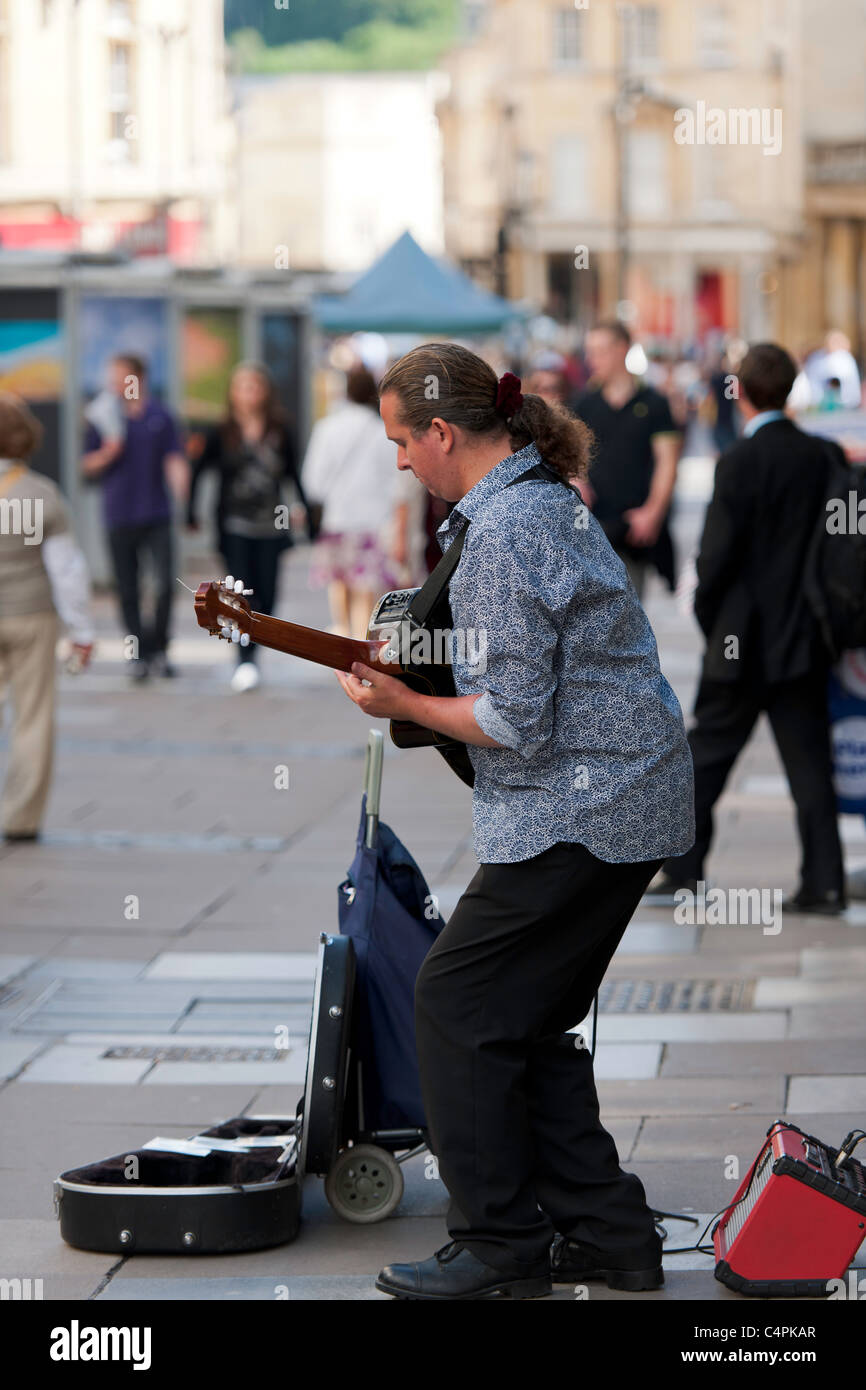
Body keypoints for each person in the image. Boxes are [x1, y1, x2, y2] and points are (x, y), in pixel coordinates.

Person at [335, 342, 695, 1300]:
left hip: (587, 806)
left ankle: (498, 1242)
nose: (400, 461)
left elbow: (511, 721)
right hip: (618, 794)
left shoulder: (505, 531)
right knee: (524, 1019)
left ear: (443, 432)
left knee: (456, 1002)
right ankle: (609, 1234)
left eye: (403, 442)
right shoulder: (529, 497)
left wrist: (400, 706)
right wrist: (412, 656)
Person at [648, 343, 846, 915]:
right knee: (810, 765)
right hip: (803, 639)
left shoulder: (738, 462)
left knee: (705, 756)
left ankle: (684, 868)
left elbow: (714, 561)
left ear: (744, 394)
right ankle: (824, 881)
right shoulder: (823, 457)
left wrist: (714, 624)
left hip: (740, 639)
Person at [187, 361, 315, 693]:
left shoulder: (280, 430)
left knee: (268, 596)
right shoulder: (222, 431)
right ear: (233, 394)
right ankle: (245, 660)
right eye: (243, 386)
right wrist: (190, 512)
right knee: (240, 593)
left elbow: (292, 475)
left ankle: (252, 648)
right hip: (234, 527)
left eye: (255, 386)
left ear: (265, 392)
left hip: (272, 527)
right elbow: (200, 471)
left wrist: (306, 514)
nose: (250, 393)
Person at [0, 393, 94, 841]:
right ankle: (20, 817)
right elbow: (67, 571)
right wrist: (82, 631)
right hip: (31, 617)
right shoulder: (40, 495)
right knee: (32, 716)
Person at [82, 354, 188, 681]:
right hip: (118, 514)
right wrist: (108, 452)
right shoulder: (102, 417)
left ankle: (159, 649)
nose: (116, 384)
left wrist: (183, 493)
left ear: (139, 378)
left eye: (122, 377)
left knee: (163, 585)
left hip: (156, 512)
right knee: (126, 588)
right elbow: (86, 464)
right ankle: (137, 654)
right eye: (112, 377)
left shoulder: (160, 415)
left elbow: (174, 458)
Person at [571, 321, 681, 600]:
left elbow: (668, 461)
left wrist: (653, 513)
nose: (590, 360)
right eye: (589, 351)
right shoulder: (584, 403)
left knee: (630, 609)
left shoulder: (654, 402)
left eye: (598, 351)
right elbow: (570, 456)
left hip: (634, 526)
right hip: (593, 526)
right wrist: (578, 480)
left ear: (621, 350)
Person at [302, 366, 411, 639]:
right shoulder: (381, 431)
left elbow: (313, 482)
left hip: (337, 519)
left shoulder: (327, 428)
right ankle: (362, 642)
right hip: (374, 522)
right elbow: (398, 483)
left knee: (340, 585)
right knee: (366, 591)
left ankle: (342, 630)